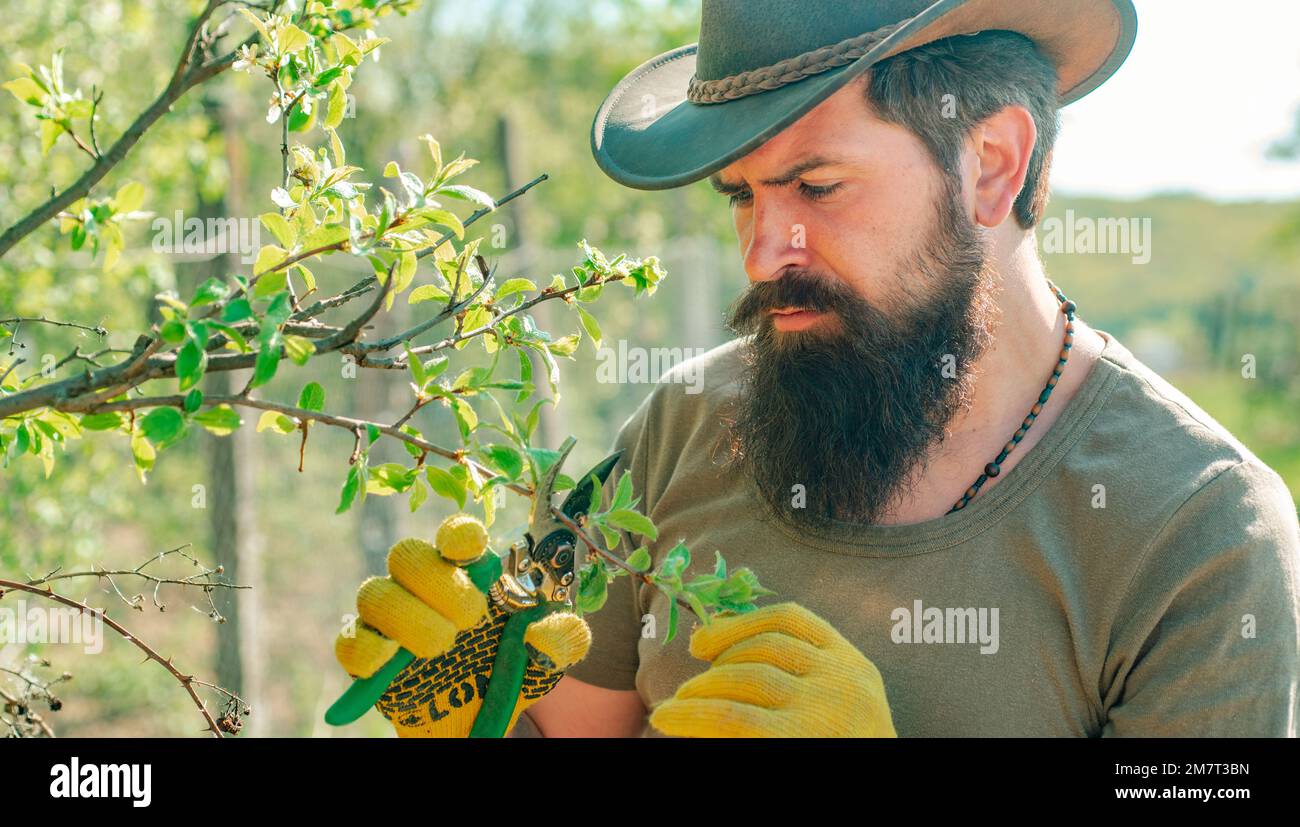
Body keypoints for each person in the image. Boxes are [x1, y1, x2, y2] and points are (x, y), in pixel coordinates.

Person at [336, 0, 1300, 737]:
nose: (764, 251)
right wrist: (473, 709)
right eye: (741, 196)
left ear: (993, 165)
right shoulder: (684, 426)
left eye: (815, 185)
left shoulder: (1199, 530)